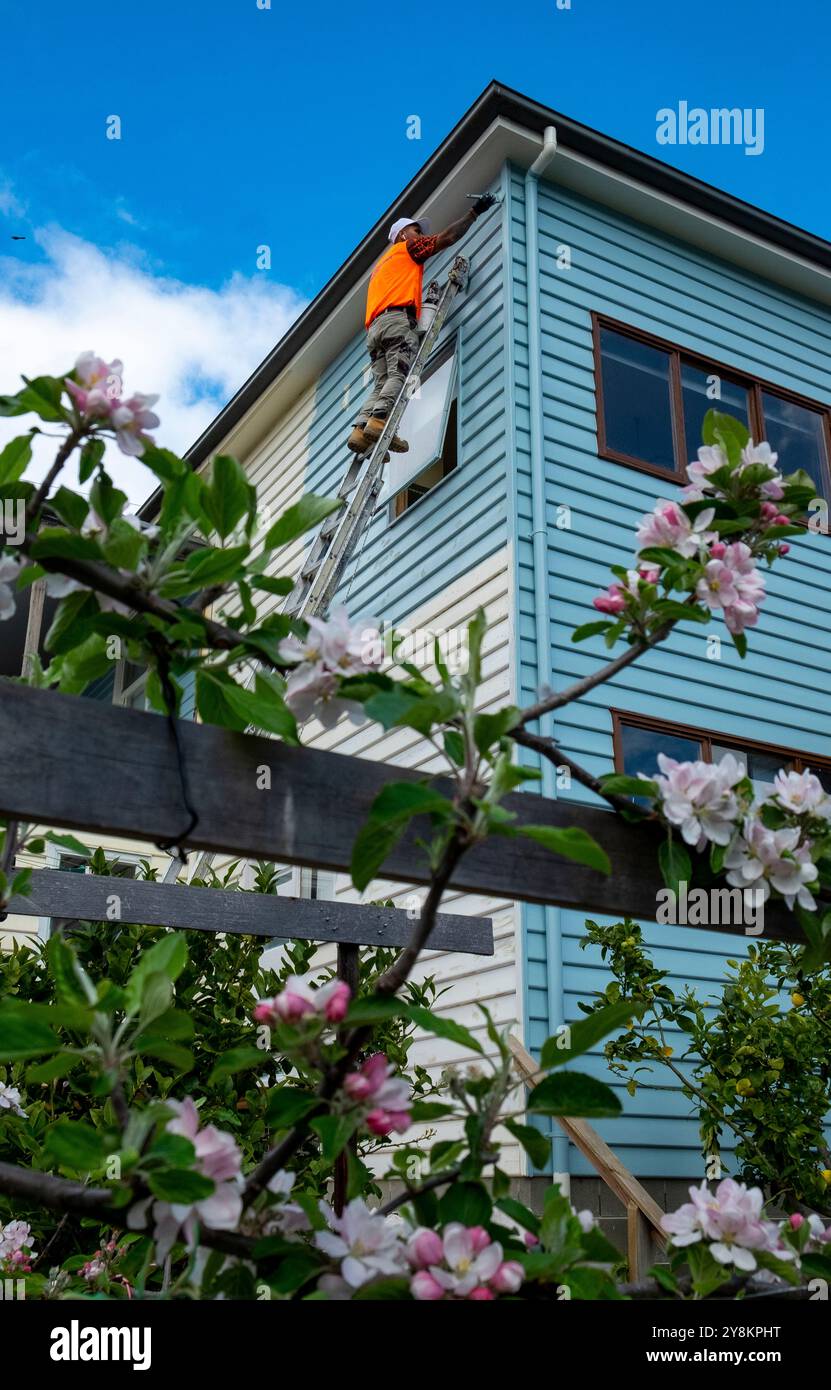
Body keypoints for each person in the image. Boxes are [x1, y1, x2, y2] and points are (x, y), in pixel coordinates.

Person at [347, 195, 497, 454]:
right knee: (399, 375)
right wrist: (474, 212)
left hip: (374, 331)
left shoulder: (382, 266)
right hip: (396, 322)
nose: (419, 235)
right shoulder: (407, 247)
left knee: (381, 383)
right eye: (415, 230)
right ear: (403, 235)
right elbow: (446, 239)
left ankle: (361, 431)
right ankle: (380, 420)